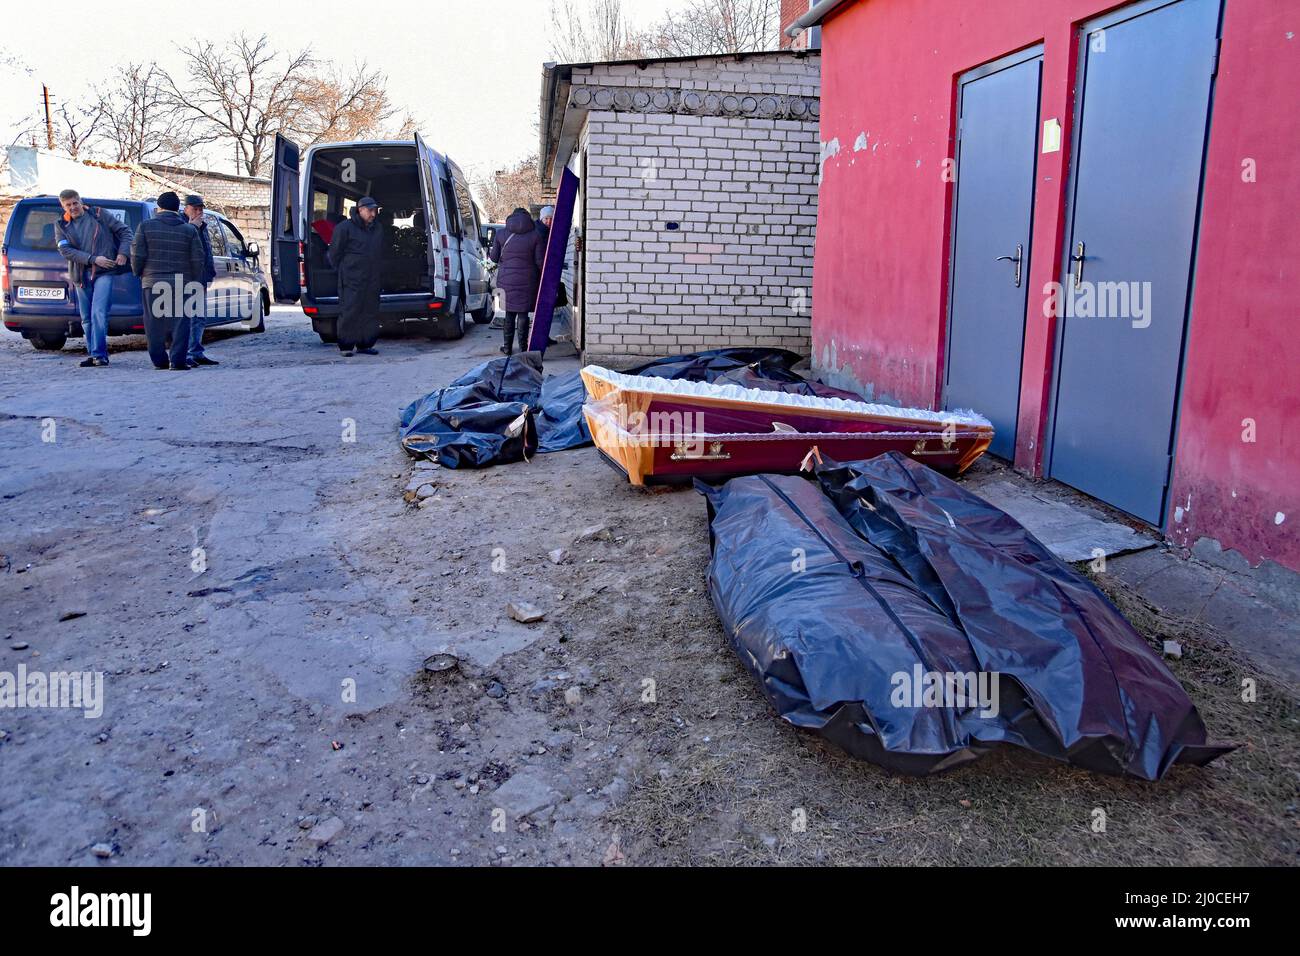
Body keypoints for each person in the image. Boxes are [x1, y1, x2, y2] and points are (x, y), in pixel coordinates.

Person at [55, 189, 133, 367]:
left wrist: (123, 252)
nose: (73, 207)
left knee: (99, 312)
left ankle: (100, 354)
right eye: (68, 205)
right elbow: (65, 250)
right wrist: (92, 259)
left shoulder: (99, 214)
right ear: (63, 206)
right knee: (86, 318)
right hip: (81, 274)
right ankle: (93, 354)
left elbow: (125, 231)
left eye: (75, 203)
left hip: (105, 272)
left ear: (80, 201)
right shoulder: (61, 225)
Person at [130, 191, 205, 371]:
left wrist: (138, 272)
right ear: (177, 208)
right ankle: (178, 361)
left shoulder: (146, 226)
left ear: (159, 207)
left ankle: (159, 360)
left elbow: (137, 253)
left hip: (152, 281)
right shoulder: (189, 230)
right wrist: (193, 279)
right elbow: (198, 258)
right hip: (181, 282)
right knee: (180, 322)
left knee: (153, 322)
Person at [327, 196, 383, 356]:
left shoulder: (377, 228)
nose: (373, 214)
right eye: (370, 210)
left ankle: (365, 344)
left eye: (375, 211)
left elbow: (380, 251)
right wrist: (345, 270)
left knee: (370, 311)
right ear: (360, 210)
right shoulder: (344, 228)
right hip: (352, 278)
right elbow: (334, 254)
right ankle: (346, 346)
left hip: (372, 277)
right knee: (350, 311)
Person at [489, 207, 544, 355]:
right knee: (523, 314)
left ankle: (507, 348)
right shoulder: (535, 235)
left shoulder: (500, 234)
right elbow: (540, 263)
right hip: (527, 279)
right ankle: (522, 348)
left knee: (509, 314)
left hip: (506, 279)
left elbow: (493, 258)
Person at [182, 195, 219, 367]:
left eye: (200, 209)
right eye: (195, 209)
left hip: (201, 277)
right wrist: (192, 227)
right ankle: (187, 353)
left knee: (200, 317)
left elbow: (206, 252)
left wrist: (209, 274)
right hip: (187, 278)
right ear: (186, 208)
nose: (198, 212)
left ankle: (196, 351)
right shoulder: (182, 225)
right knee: (188, 317)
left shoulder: (202, 226)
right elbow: (182, 246)